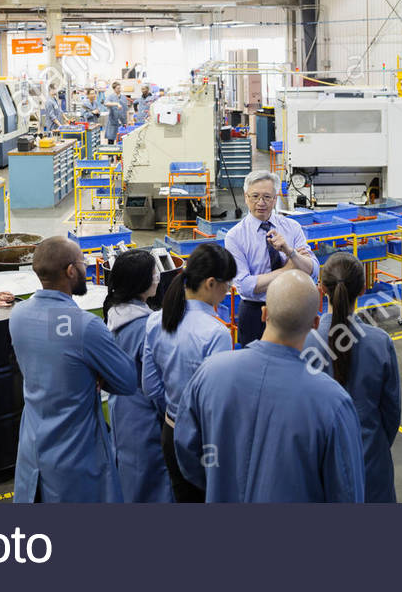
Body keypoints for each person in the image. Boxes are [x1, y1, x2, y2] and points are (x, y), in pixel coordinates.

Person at [175, 270, 364, 502]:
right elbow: (345, 490)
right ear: (315, 323)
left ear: (264, 314)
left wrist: (220, 483)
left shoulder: (209, 373)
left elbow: (186, 450)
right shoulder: (333, 402)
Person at [8, 236, 138, 502]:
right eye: (82, 263)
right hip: (75, 459)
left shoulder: (18, 315)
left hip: (32, 451)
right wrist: (96, 373)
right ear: (70, 271)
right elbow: (126, 381)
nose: (86, 268)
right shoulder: (85, 326)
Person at [141, 243, 236, 503]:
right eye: (226, 284)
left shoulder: (155, 320)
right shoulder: (216, 334)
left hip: (170, 433)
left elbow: (150, 387)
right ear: (210, 283)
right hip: (205, 441)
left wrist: (175, 414)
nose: (228, 291)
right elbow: (217, 405)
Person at [302, 253, 400, 502]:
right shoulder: (380, 343)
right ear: (364, 289)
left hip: (318, 467)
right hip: (370, 463)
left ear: (321, 289)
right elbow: (391, 413)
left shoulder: (304, 344)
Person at [103, 250, 173, 503]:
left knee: (130, 474)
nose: (158, 277)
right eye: (153, 272)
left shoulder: (114, 315)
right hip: (145, 416)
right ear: (140, 282)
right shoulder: (147, 326)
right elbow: (155, 385)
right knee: (151, 479)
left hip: (121, 410)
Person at [223, 169, 317, 346]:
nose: (261, 203)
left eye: (267, 197)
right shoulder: (235, 236)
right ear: (246, 197)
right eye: (255, 196)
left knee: (293, 365)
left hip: (294, 306)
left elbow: (313, 270)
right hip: (254, 312)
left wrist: (290, 252)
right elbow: (245, 285)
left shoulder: (292, 227)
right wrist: (289, 269)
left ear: (275, 198)